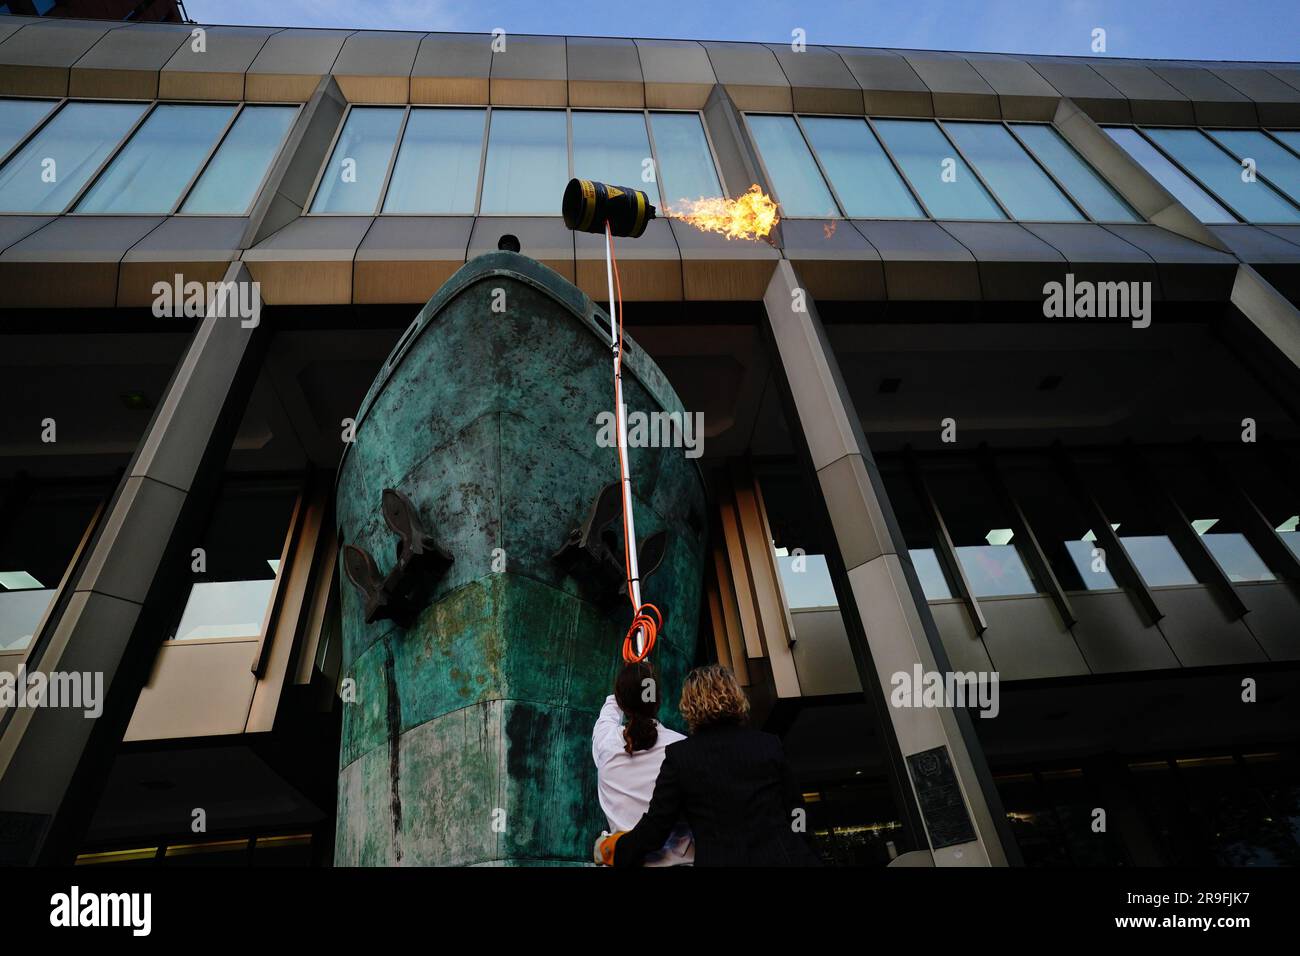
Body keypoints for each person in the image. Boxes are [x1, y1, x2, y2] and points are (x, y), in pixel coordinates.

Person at [596, 664, 822, 867]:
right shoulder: (769, 745)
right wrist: (804, 847)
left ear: (688, 704)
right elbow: (797, 811)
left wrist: (609, 849)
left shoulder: (681, 756)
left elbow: (656, 829)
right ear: (737, 696)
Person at [591, 659, 694, 866]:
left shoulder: (605, 743)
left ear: (621, 701)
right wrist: (642, 678)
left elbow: (609, 712)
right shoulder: (684, 748)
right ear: (659, 700)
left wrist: (632, 676)